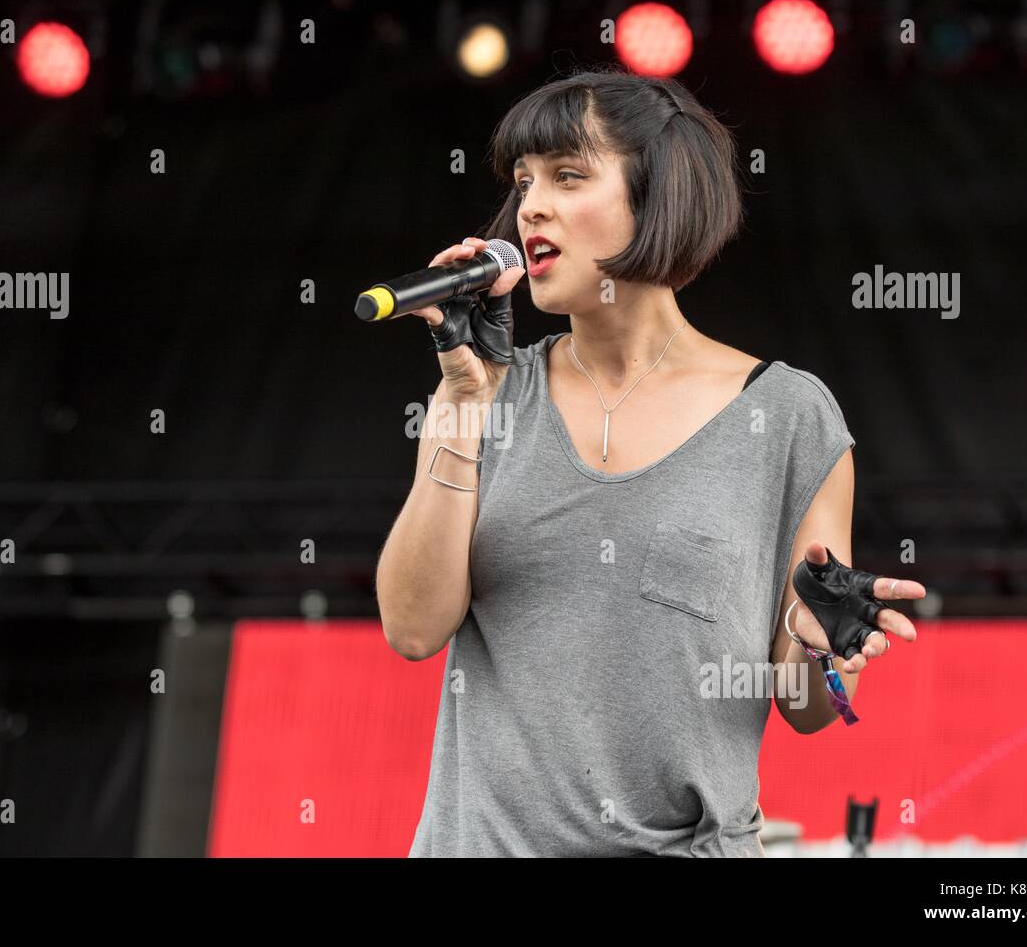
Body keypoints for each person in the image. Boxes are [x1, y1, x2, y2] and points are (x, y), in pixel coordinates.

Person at [375, 68, 925, 857]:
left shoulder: (789, 416)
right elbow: (413, 628)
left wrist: (815, 642)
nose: (531, 204)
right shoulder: (484, 394)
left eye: (569, 176)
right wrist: (461, 401)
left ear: (658, 194)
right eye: (524, 181)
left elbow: (807, 707)